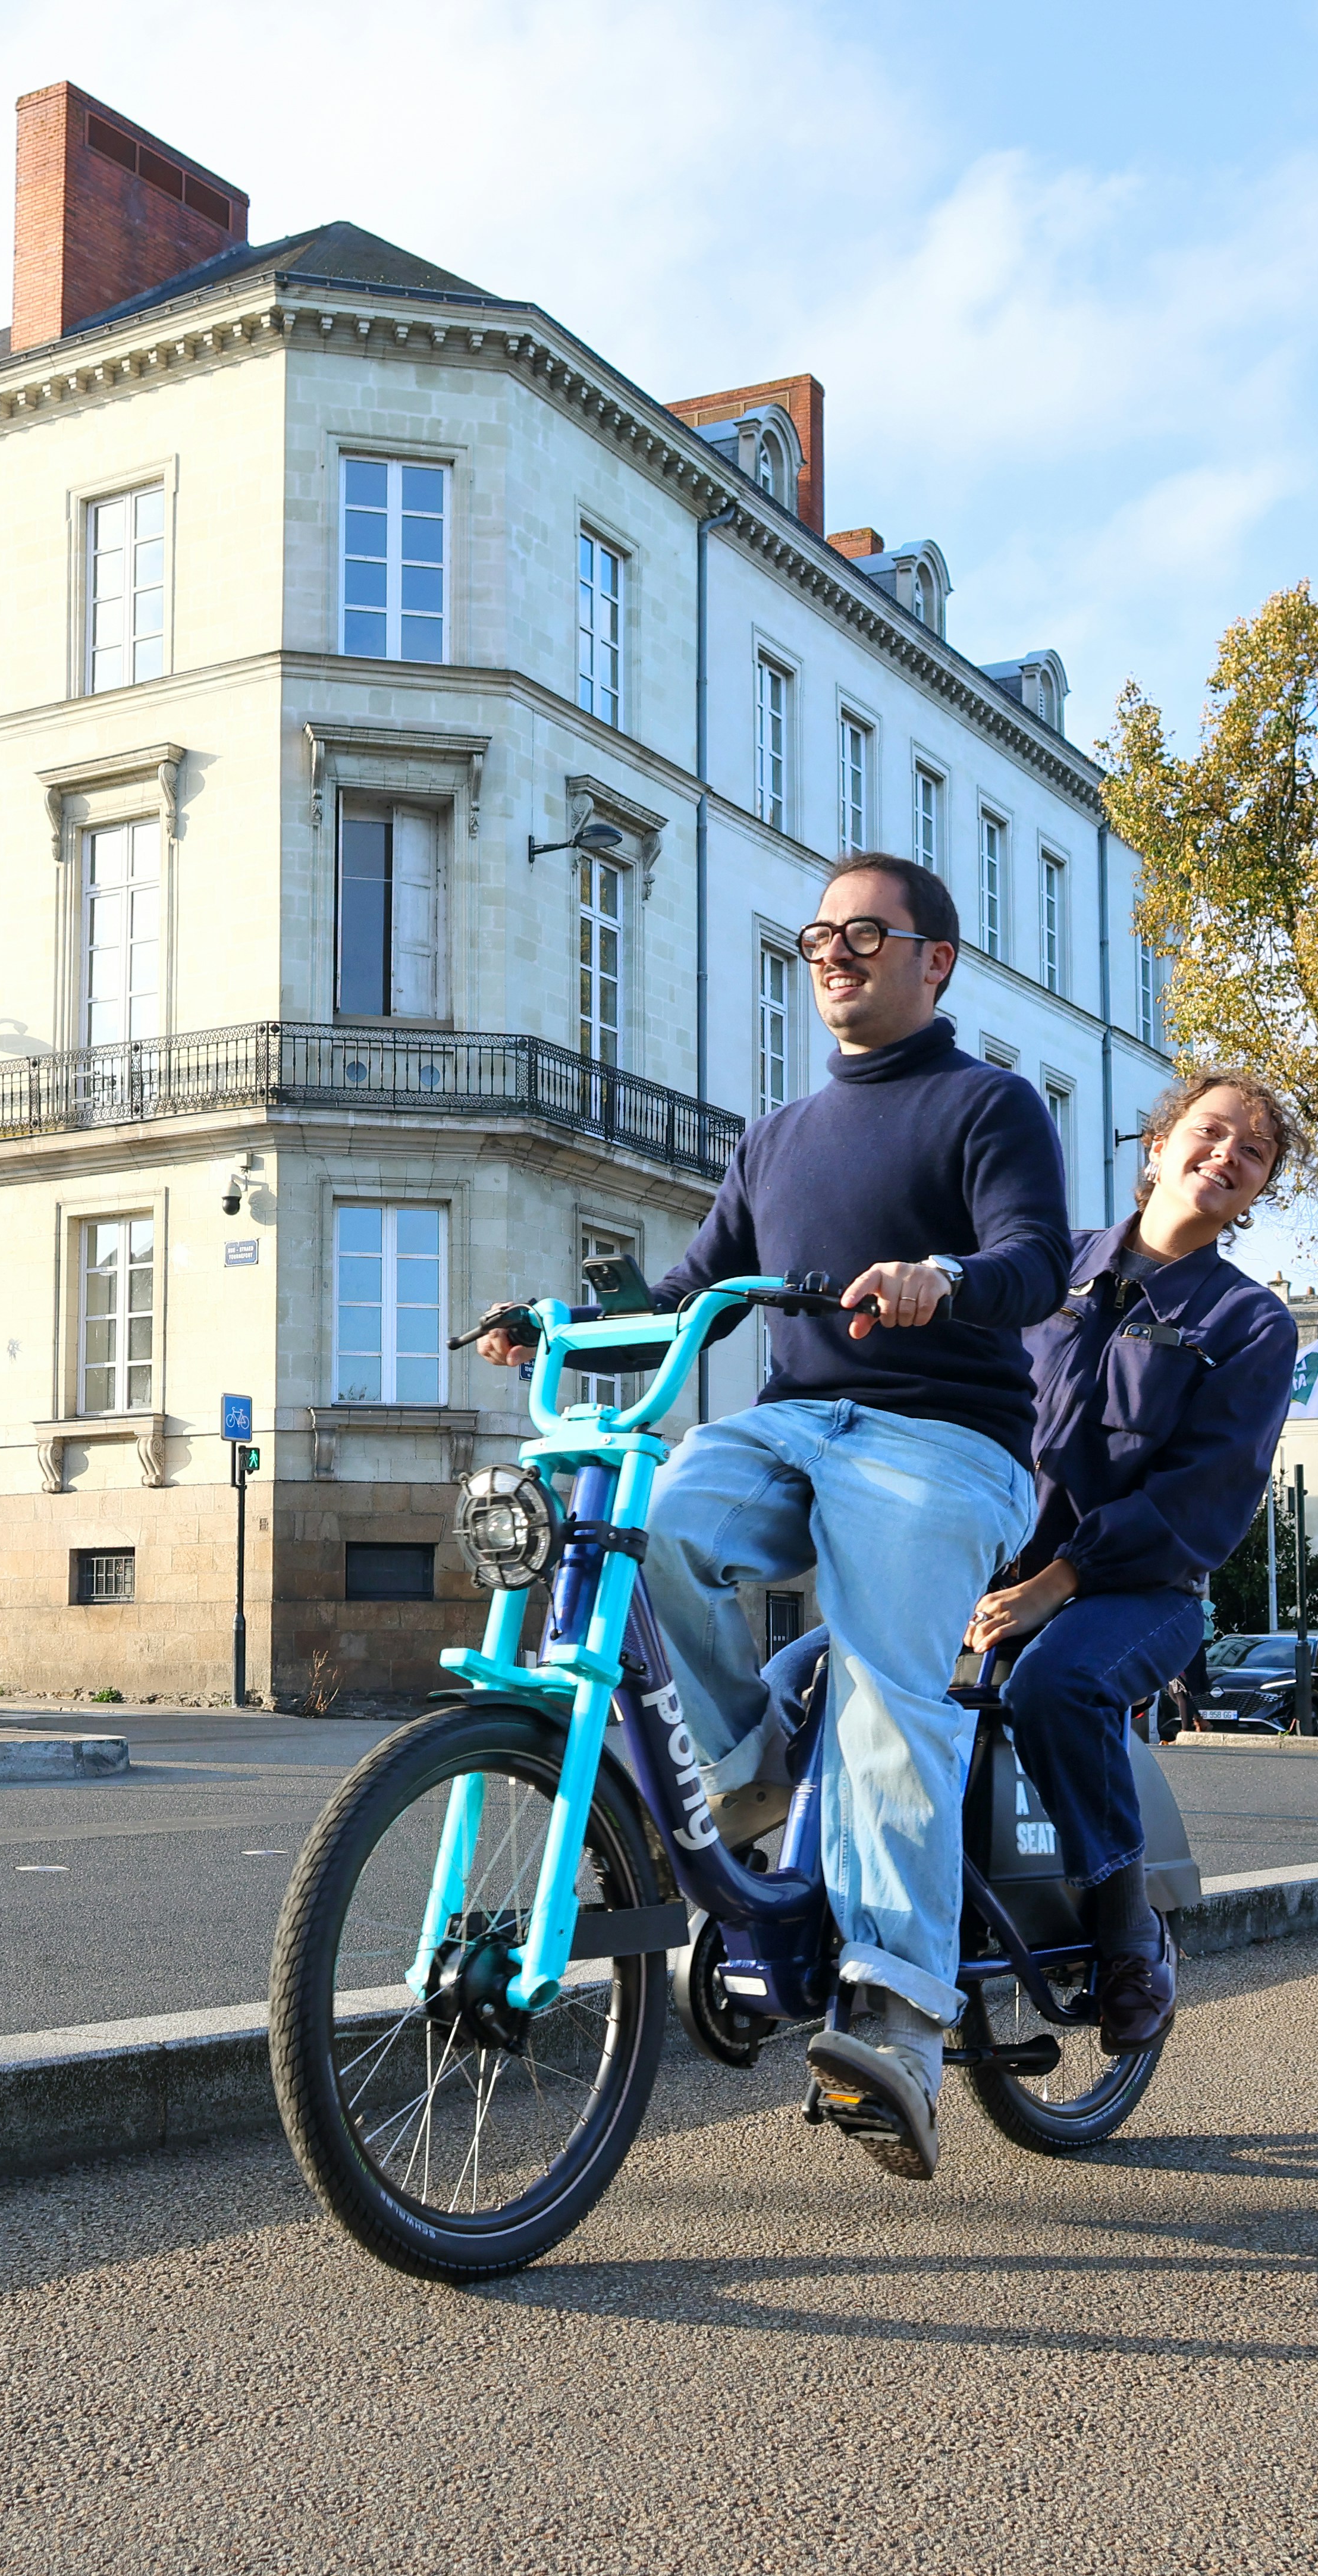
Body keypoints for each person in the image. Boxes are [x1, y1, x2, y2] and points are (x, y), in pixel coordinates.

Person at [477, 849, 1068, 2179]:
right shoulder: (775, 1139)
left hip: (944, 1440)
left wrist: (945, 1278)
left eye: (868, 931)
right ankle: (740, 1770)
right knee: (659, 1519)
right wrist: (557, 1323)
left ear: (936, 962)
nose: (836, 953)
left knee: (883, 1694)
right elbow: (686, 1293)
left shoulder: (991, 1106)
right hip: (795, 1427)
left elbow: (1034, 1263)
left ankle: (900, 2018)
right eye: (819, 937)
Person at [962, 1069, 1305, 2054]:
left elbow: (1203, 1499)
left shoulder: (1250, 1325)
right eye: (1211, 1132)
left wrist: (1058, 1582)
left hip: (1138, 1591)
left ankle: (1126, 1934)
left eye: (1254, 1151)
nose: (1227, 1156)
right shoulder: (1046, 1269)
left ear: (1260, 1188)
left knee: (1057, 1690)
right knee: (817, 1668)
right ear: (1156, 1148)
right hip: (987, 1569)